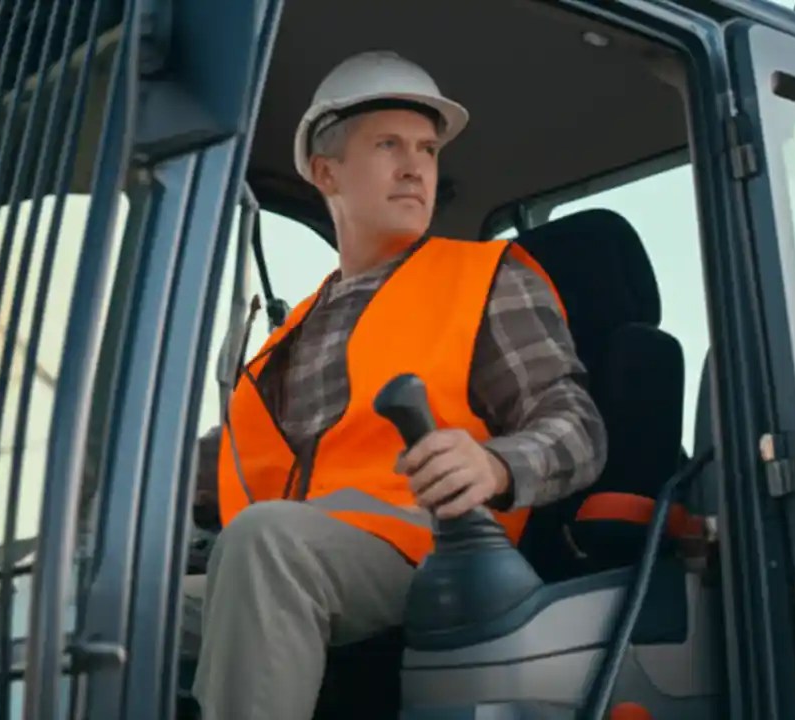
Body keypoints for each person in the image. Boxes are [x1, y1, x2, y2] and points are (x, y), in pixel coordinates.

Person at [189, 50, 607, 719]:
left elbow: (575, 427)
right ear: (327, 173)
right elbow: (230, 462)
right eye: (388, 145)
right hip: (279, 552)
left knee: (266, 545)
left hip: (421, 545)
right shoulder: (291, 331)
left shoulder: (484, 278)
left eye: (427, 149)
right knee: (88, 598)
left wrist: (495, 462)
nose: (416, 167)